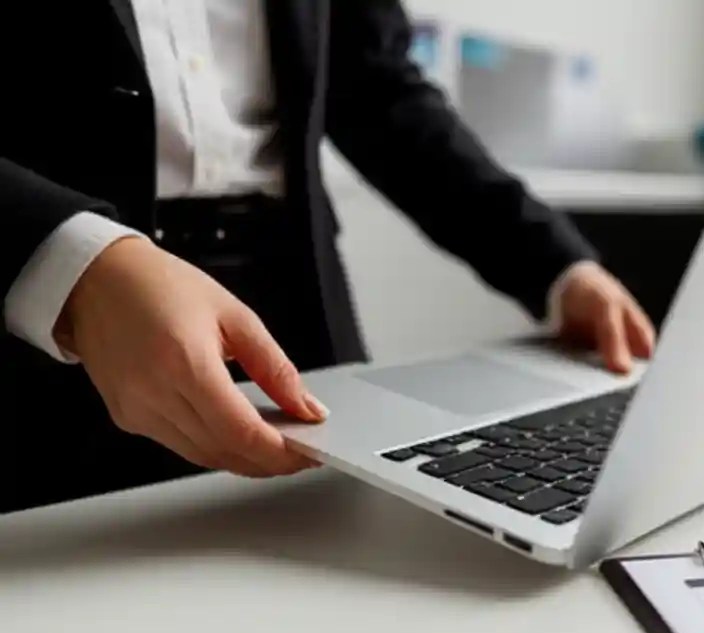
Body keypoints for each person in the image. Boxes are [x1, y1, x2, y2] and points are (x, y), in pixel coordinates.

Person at [0, 1, 655, 513]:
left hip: (302, 323)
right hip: (43, 339)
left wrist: (557, 267)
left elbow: (380, 90)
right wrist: (73, 258)